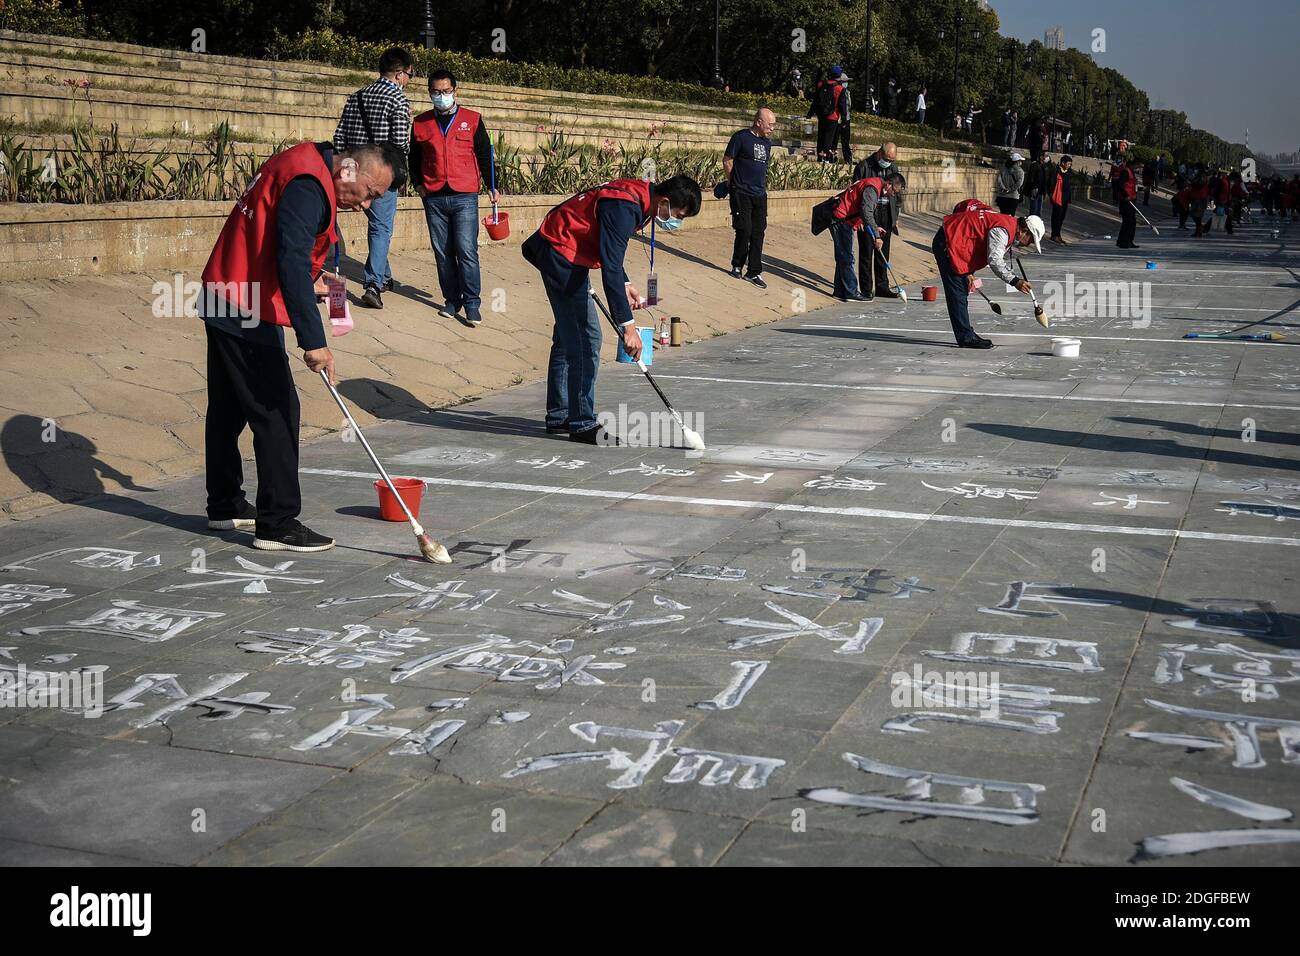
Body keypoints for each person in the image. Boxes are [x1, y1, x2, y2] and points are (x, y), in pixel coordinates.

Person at [200, 141, 408, 551]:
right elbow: (290, 260)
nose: (366, 205)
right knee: (277, 410)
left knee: (229, 407)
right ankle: (277, 522)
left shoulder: (307, 160)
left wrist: (316, 287)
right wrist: (313, 342)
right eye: (371, 193)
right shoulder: (310, 186)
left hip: (225, 291)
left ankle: (225, 505)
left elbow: (277, 242)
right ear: (351, 169)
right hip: (244, 302)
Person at [522, 176, 702, 444]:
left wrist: (626, 283)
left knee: (568, 335)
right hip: (560, 253)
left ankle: (560, 415)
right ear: (664, 202)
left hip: (564, 250)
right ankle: (581, 422)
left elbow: (611, 252)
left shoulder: (640, 199)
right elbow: (611, 268)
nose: (677, 221)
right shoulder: (626, 207)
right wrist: (628, 328)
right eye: (678, 215)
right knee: (587, 338)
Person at [409, 69, 498, 327]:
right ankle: (451, 299)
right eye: (436, 92)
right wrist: (418, 185)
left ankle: (472, 303)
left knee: (466, 250)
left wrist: (493, 186)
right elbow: (413, 158)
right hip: (434, 196)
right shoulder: (421, 123)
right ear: (429, 93)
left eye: (446, 91)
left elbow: (484, 156)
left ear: (455, 91)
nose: (442, 96)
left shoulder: (472, 119)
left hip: (464, 195)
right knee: (443, 252)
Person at [333, 47, 413, 311]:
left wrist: (346, 173)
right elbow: (401, 144)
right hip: (380, 175)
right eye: (409, 75)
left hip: (353, 169)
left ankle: (384, 275)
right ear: (400, 74)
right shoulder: (398, 101)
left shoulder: (356, 97)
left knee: (377, 226)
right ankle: (373, 285)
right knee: (381, 228)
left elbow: (340, 138)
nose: (408, 80)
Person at [931, 208, 1047, 349]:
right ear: (1024, 231)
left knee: (961, 289)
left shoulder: (1007, 223)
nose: (1028, 245)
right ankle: (966, 338)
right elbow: (995, 260)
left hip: (956, 241)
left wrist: (969, 272)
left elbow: (975, 237)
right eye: (1030, 241)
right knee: (957, 292)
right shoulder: (1003, 231)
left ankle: (967, 334)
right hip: (949, 242)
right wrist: (1015, 281)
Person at [825, 171, 908, 301]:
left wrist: (876, 227)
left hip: (845, 219)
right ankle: (851, 292)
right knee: (847, 257)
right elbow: (867, 212)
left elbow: (864, 212)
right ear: (889, 184)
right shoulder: (872, 189)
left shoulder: (875, 186)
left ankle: (839, 291)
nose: (894, 194)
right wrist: (877, 236)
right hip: (840, 219)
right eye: (895, 191)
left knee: (842, 256)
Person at [724, 108, 776, 287]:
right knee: (744, 229)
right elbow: (728, 160)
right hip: (741, 192)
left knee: (758, 232)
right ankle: (737, 265)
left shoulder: (767, 144)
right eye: (770, 124)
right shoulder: (741, 137)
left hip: (760, 194)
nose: (772, 128)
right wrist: (733, 184)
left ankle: (754, 272)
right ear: (759, 122)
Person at [852, 142, 904, 299]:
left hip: (886, 213)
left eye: (892, 160)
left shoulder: (892, 168)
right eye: (887, 158)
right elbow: (854, 192)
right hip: (868, 213)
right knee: (866, 252)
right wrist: (859, 218)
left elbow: (898, 193)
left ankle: (882, 286)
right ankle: (867, 289)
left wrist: (895, 215)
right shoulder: (864, 167)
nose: (889, 162)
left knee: (883, 253)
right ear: (880, 153)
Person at [808, 66, 849, 163]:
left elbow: (816, 101)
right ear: (839, 76)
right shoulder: (840, 89)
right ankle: (825, 157)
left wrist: (810, 113)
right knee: (829, 137)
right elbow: (842, 106)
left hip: (821, 115)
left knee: (821, 136)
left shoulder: (821, 84)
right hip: (833, 116)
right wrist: (843, 120)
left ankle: (819, 156)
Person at [1048, 154, 1073, 244]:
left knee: (1062, 217)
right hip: (1058, 198)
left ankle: (1058, 235)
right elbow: (1050, 184)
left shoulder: (1069, 172)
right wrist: (1051, 194)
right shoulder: (1056, 171)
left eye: (1070, 164)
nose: (1069, 166)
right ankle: (1054, 235)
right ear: (1063, 163)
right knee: (1056, 217)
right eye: (1068, 164)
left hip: (1065, 198)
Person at [1116, 159, 1141, 248]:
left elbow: (1131, 186)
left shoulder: (1132, 173)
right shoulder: (1125, 172)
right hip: (1126, 201)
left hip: (1132, 200)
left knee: (1132, 222)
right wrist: (1125, 195)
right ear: (1134, 165)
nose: (1139, 168)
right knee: (1128, 222)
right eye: (1138, 166)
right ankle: (1123, 242)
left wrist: (1141, 189)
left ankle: (1129, 241)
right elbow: (1119, 185)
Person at [1025, 151, 1049, 218]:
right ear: (1041, 157)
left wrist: (1045, 192)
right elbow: (1031, 178)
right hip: (1034, 191)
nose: (1047, 157)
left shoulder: (1043, 166)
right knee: (1033, 211)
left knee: (1038, 211)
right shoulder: (1035, 165)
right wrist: (1033, 188)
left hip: (1040, 192)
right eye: (1046, 155)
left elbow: (1043, 181)